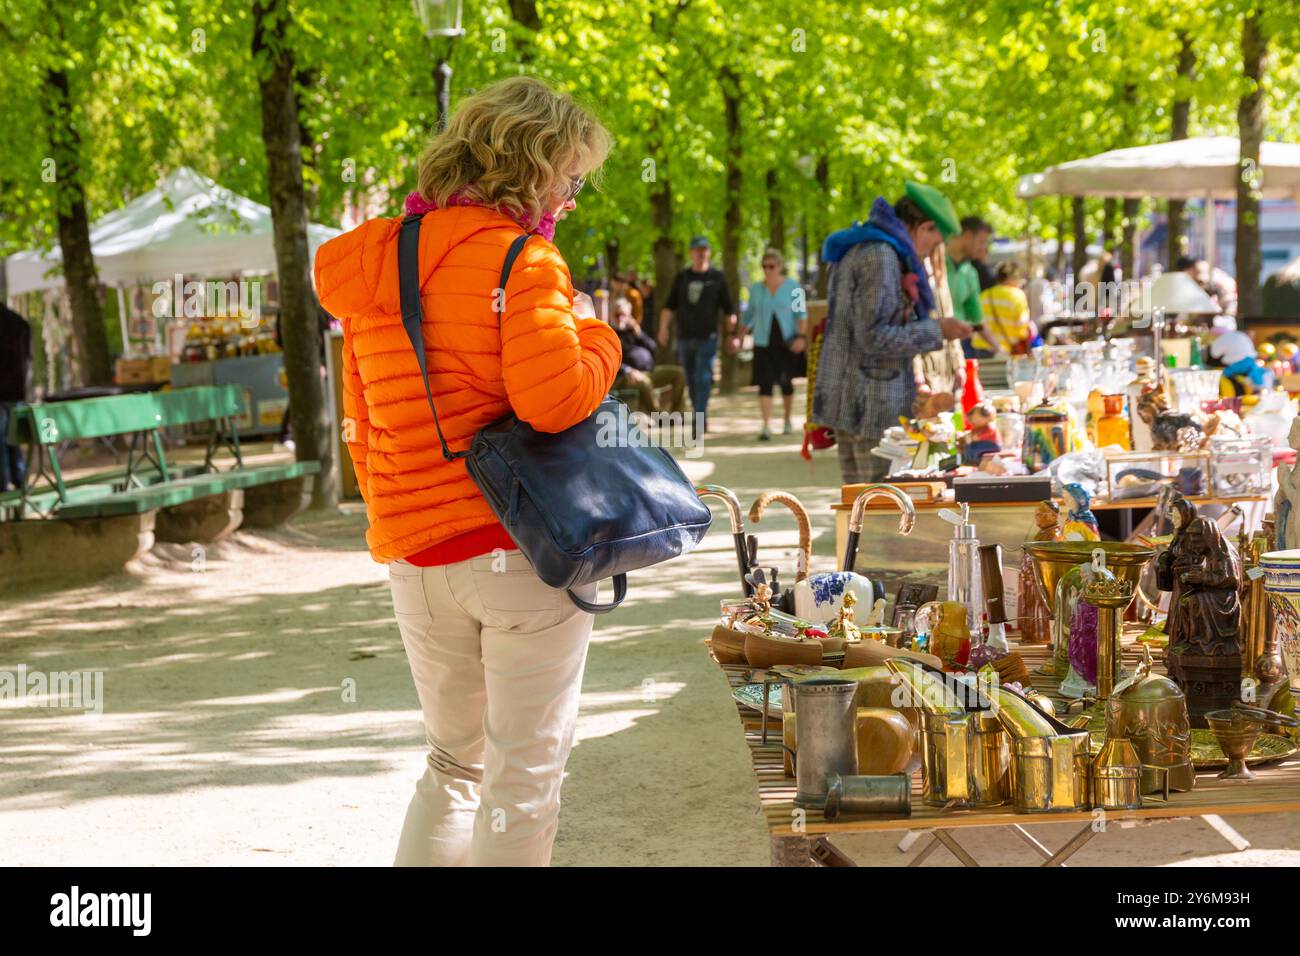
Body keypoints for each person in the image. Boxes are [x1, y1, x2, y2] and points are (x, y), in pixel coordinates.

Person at [314, 76, 621, 867]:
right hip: (520, 541)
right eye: (571, 175)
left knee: (452, 766)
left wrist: (405, 511)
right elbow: (554, 402)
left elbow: (362, 424)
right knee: (524, 774)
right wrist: (600, 336)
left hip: (417, 554)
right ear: (530, 165)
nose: (573, 195)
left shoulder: (376, 263)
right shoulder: (527, 261)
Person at [813, 181, 973, 485]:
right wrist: (937, 329)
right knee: (877, 510)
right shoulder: (881, 257)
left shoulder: (865, 246)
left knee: (857, 512)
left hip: (854, 402)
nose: (929, 254)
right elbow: (874, 336)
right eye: (933, 242)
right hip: (871, 406)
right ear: (923, 227)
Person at [656, 236, 737, 433]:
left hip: (707, 338)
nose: (701, 254)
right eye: (697, 250)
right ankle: (699, 413)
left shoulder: (717, 278)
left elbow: (729, 311)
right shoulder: (681, 278)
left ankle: (699, 420)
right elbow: (669, 306)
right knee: (691, 381)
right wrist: (663, 328)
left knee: (703, 378)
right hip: (684, 338)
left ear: (708, 252)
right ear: (691, 253)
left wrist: (731, 335)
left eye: (704, 250)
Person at [743, 247, 807, 440]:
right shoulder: (756, 289)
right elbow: (748, 316)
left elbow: (801, 315)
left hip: (787, 341)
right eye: (764, 266)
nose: (767, 270)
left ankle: (787, 418)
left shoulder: (794, 288)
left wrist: (801, 337)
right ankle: (766, 425)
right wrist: (737, 334)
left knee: (787, 383)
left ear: (780, 266)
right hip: (763, 341)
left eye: (771, 266)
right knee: (765, 383)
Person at [610, 296, 685, 413]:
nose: (621, 318)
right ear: (612, 314)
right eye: (617, 315)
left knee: (679, 374)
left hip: (650, 372)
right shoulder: (610, 333)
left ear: (629, 315)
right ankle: (658, 416)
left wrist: (639, 333)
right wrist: (628, 370)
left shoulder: (634, 331)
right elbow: (610, 360)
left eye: (624, 315)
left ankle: (676, 413)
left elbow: (653, 347)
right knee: (645, 382)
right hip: (628, 377)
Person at [946, 216, 991, 356]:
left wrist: (999, 348)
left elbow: (977, 318)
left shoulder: (970, 272)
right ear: (967, 236)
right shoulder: (934, 262)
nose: (984, 248)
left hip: (960, 347)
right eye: (981, 242)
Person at [0, 303, 31, 493]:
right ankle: (18, 478)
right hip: (15, 389)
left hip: (5, 390)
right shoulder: (18, 323)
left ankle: (3, 483)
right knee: (13, 437)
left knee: (4, 438)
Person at [972, 262, 1033, 356]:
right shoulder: (1018, 295)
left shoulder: (984, 295)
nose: (1021, 284)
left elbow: (974, 322)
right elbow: (1022, 327)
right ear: (1012, 278)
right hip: (1005, 351)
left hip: (980, 349)